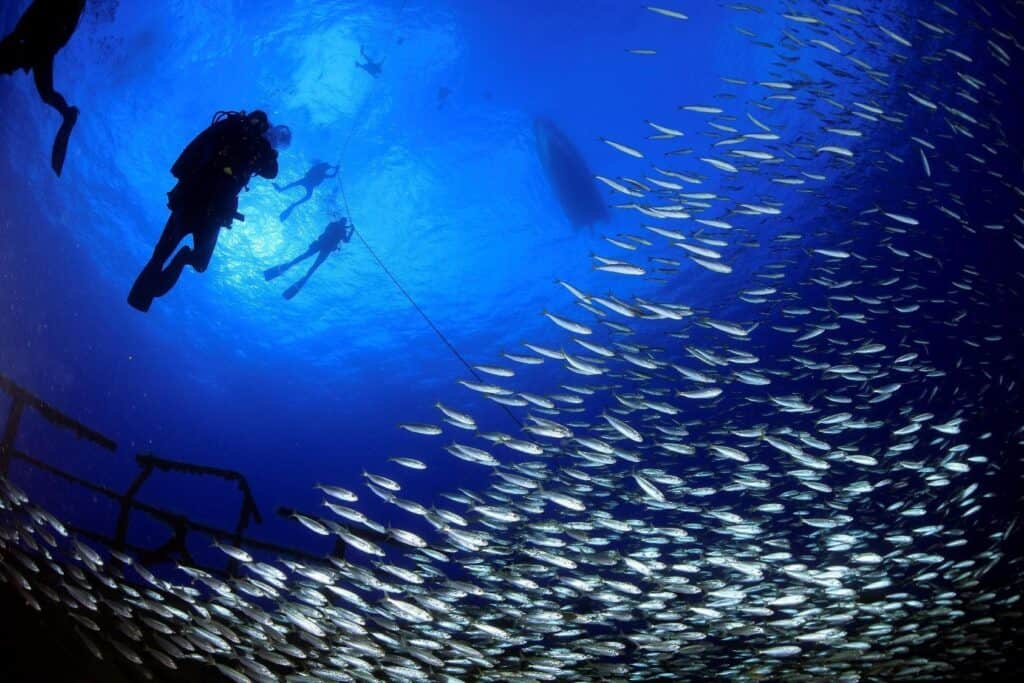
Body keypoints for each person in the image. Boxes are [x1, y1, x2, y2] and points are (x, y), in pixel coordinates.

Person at [127, 110, 290, 312]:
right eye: (271, 132)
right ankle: (139, 299)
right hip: (194, 199)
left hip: (214, 210)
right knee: (162, 253)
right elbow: (202, 145)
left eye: (277, 138)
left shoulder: (261, 151)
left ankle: (183, 257)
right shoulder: (235, 128)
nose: (270, 136)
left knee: (198, 262)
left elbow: (272, 173)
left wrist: (270, 149)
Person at [0, 0, 87, 176]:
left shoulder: (25, 33)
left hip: (47, 31)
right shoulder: (27, 41)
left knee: (45, 92)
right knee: (45, 93)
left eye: (9, 68)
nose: (10, 73)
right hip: (45, 39)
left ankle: (68, 115)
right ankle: (68, 115)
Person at [264, 217, 353, 300]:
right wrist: (350, 230)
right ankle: (292, 269)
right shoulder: (339, 228)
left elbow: (344, 240)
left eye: (343, 221)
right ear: (342, 221)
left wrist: (350, 230)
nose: (343, 222)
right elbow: (345, 240)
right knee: (307, 259)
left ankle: (292, 270)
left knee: (311, 263)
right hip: (324, 246)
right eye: (343, 221)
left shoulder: (338, 227)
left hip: (323, 246)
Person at [273, 160, 338, 222]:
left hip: (306, 181)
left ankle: (282, 190)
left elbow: (331, 174)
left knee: (295, 185)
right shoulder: (323, 173)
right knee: (306, 195)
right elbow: (332, 175)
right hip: (309, 183)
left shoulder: (319, 169)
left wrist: (335, 168)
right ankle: (292, 203)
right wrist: (336, 169)